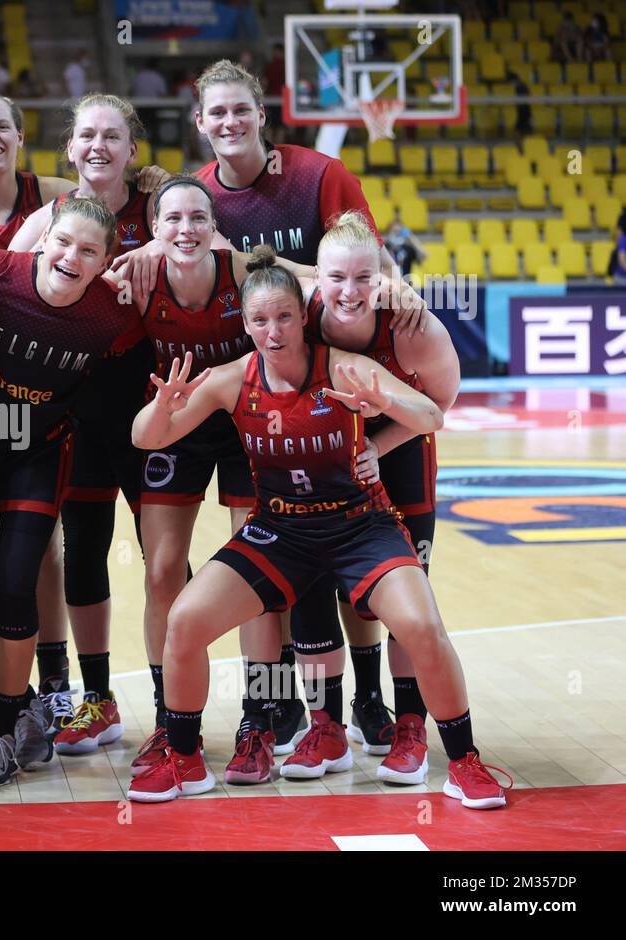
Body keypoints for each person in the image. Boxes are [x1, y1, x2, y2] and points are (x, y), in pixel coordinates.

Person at [127, 248, 509, 810]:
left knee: (423, 625)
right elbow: (145, 438)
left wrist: (383, 400)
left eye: (284, 317)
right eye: (260, 320)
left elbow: (432, 416)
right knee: (184, 620)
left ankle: (464, 761)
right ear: (246, 324)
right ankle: (183, 759)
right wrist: (164, 407)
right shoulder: (233, 379)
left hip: (362, 526)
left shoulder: (344, 367)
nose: (273, 330)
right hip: (281, 532)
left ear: (302, 317)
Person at [118, 59, 408, 750]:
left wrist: (254, 263)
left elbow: (371, 274)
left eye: (240, 111)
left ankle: (363, 700)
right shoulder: (195, 205)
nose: (228, 123)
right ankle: (248, 711)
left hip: (317, 393)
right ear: (199, 123)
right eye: (215, 113)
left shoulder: (316, 176)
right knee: (261, 561)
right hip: (227, 397)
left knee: (343, 565)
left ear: (262, 114)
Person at [121, 176, 314, 783]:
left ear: (216, 227)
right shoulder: (135, 281)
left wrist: (385, 283)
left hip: (244, 419)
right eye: (172, 219)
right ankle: (170, 717)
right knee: (161, 568)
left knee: (258, 570)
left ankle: (261, 717)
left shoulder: (243, 269)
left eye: (198, 218)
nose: (185, 230)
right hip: (177, 418)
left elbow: (316, 280)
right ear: (154, 230)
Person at [0, 197, 144, 784]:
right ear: (41, 240)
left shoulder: (113, 314)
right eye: (64, 242)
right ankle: (28, 705)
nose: (73, 256)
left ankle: (5, 725)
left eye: (90, 251)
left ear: (105, 262)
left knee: (17, 582)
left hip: (37, 456)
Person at [11, 94, 157, 754]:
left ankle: (172, 707)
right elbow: (9, 287)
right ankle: (95, 701)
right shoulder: (50, 218)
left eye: (113, 136)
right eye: (86, 136)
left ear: (133, 150)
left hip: (155, 398)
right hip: (78, 401)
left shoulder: (163, 207)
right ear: (69, 148)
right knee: (83, 551)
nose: (98, 145)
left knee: (165, 561)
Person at [294, 211, 458, 783]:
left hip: (403, 457)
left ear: (382, 278)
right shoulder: (301, 308)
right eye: (336, 279)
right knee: (312, 580)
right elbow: (247, 267)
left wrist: (381, 444)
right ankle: (327, 726)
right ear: (318, 276)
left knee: (408, 598)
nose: (349, 292)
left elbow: (440, 406)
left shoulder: (413, 325)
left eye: (364, 279)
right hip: (323, 460)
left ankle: (411, 726)